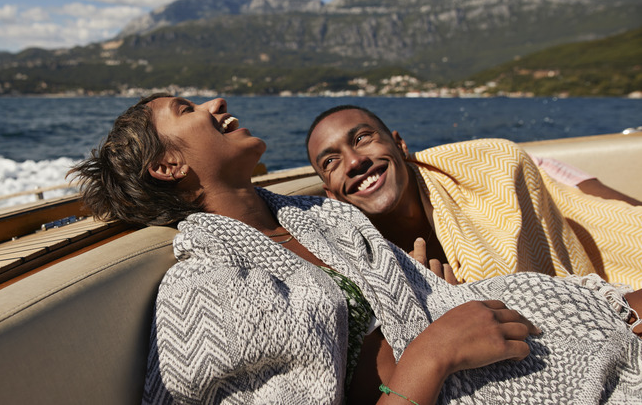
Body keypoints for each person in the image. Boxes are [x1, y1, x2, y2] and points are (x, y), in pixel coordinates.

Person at [70, 94, 641, 404]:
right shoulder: (206, 291)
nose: (215, 101)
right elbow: (425, 343)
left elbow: (443, 303)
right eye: (187, 109)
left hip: (540, 359)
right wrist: (430, 355)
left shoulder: (325, 220)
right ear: (168, 165)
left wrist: (614, 302)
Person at [306, 105, 642, 289]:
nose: (354, 162)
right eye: (330, 161)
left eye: (363, 138)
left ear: (400, 145)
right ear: (331, 193)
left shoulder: (491, 172)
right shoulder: (351, 259)